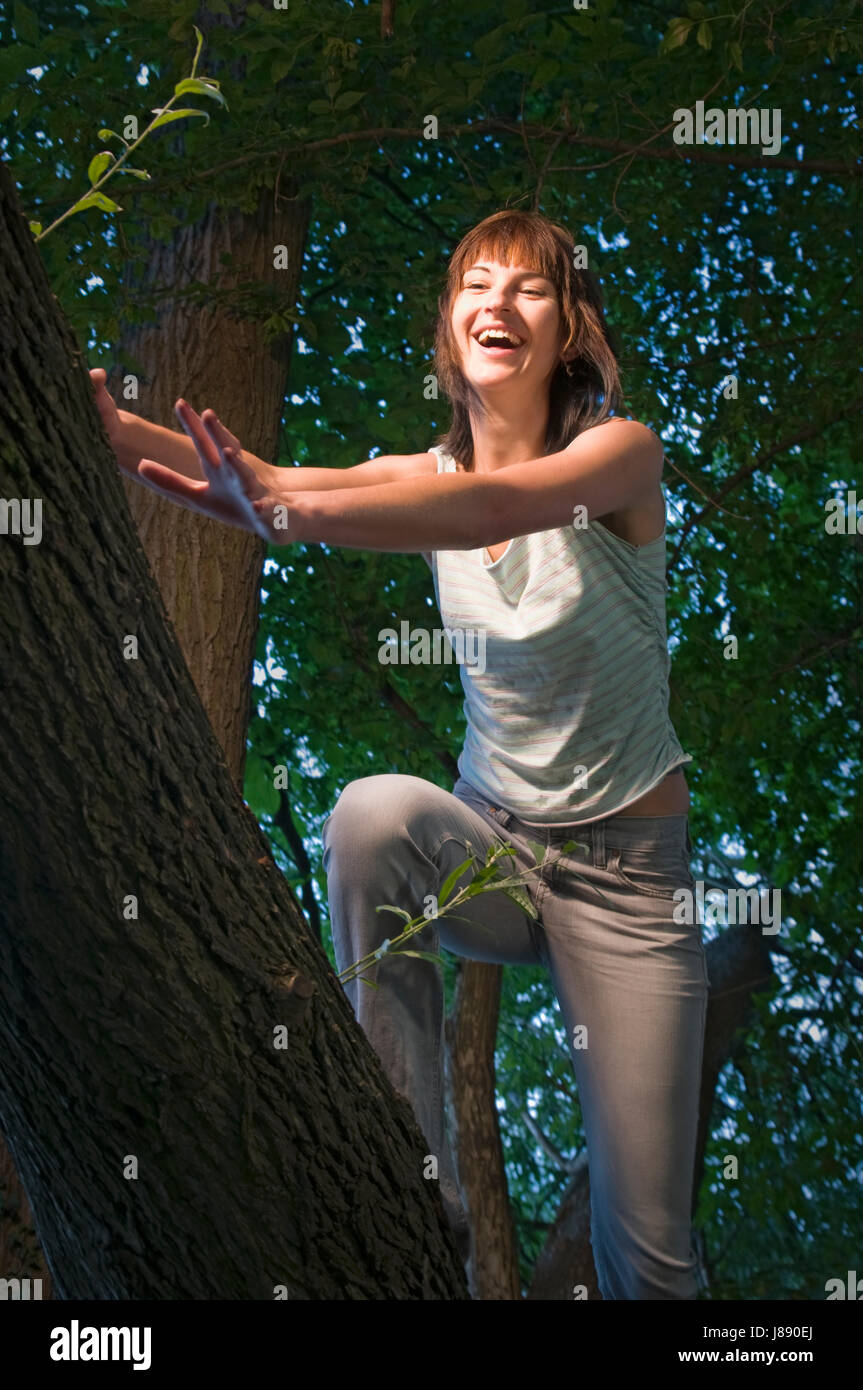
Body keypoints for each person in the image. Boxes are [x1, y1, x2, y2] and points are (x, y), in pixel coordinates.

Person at [91, 208, 709, 1300]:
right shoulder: (416, 471)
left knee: (648, 1255)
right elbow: (267, 473)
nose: (497, 302)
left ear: (568, 328)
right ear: (450, 324)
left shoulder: (619, 457)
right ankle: (413, 1193)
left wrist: (286, 512)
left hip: (628, 886)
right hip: (492, 851)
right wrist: (108, 432)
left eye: (528, 287)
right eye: (476, 283)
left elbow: (484, 506)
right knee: (372, 813)